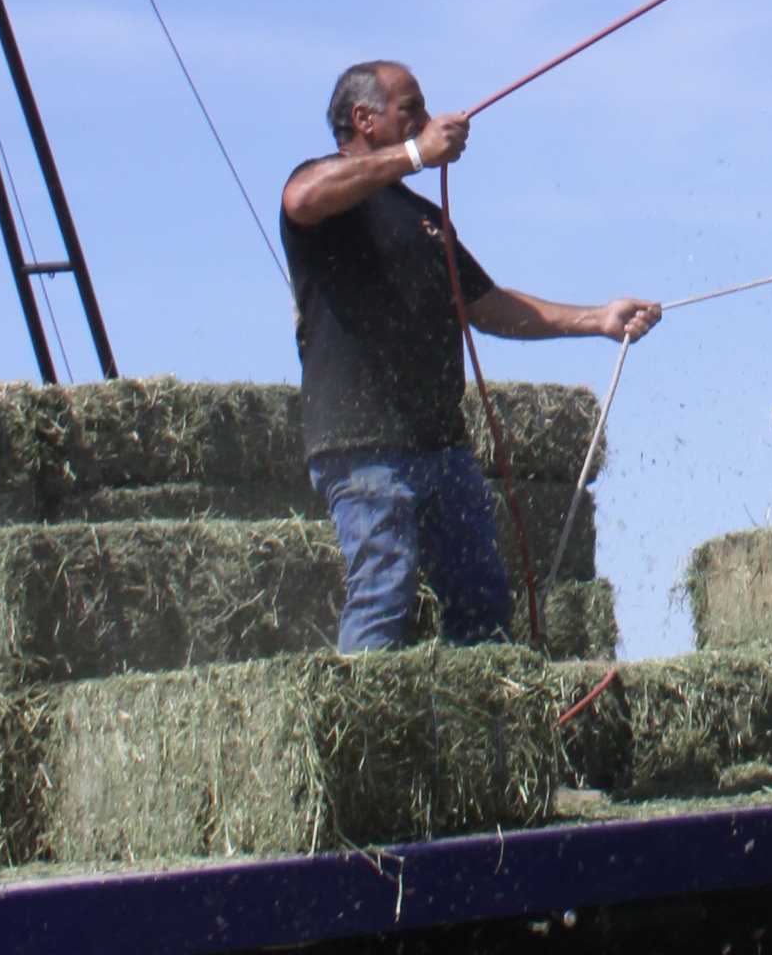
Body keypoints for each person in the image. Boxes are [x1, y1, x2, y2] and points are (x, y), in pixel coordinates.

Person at [281, 59, 661, 654]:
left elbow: (485, 306)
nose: (429, 122)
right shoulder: (323, 189)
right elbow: (301, 199)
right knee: (384, 591)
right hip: (364, 444)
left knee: (482, 596)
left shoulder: (427, 220)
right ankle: (367, 741)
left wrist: (598, 320)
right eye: (412, 110)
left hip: (442, 446)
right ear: (364, 119)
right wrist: (413, 155)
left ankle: (482, 738)